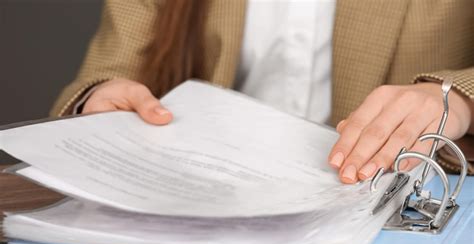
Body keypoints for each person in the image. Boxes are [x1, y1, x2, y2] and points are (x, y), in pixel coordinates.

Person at [51, 0, 474, 184]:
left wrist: (458, 98)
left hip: (381, 205)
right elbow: (109, 72)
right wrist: (100, 102)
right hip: (199, 201)